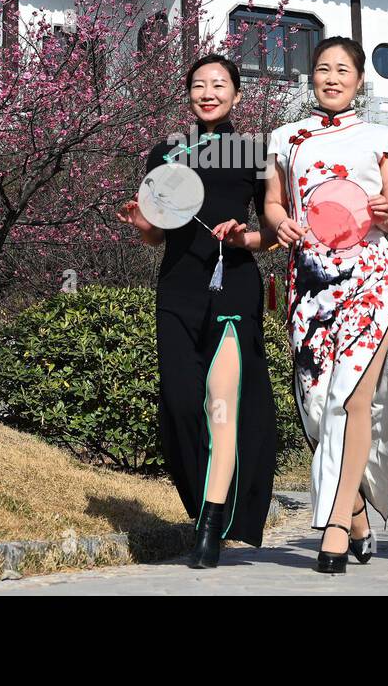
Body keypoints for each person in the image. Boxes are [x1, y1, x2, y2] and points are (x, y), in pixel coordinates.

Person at [117, 54, 278, 568]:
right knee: (181, 402)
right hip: (178, 288)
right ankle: (204, 502)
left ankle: (210, 524)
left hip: (233, 284)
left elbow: (271, 234)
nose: (208, 92)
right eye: (199, 85)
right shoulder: (165, 152)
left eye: (219, 84)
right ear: (188, 93)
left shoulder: (255, 151)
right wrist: (140, 223)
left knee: (221, 404)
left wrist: (242, 236)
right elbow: (156, 233)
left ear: (236, 93)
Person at [263, 36, 388, 574]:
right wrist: (280, 222)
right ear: (312, 77)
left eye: (342, 70)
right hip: (309, 279)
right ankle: (357, 508)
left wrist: (383, 210)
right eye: (322, 69)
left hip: (369, 275)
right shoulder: (285, 137)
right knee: (316, 403)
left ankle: (334, 526)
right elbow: (274, 203)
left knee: (351, 398)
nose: (331, 78)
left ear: (358, 79)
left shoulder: (380, 135)